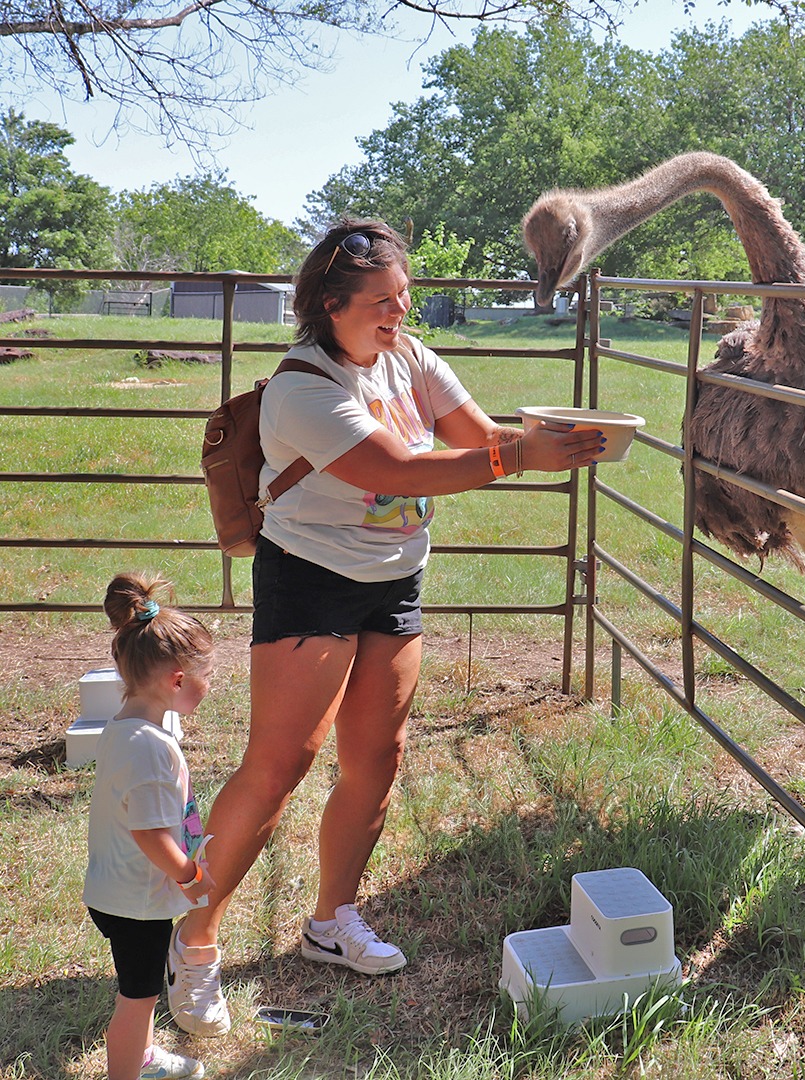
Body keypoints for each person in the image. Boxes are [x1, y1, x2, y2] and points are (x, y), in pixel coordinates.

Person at [167, 218, 604, 1036]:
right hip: (311, 581)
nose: (399, 313)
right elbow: (395, 470)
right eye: (381, 301)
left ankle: (333, 920)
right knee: (278, 766)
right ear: (330, 305)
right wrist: (520, 456)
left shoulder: (408, 358)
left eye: (405, 296)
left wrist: (549, 439)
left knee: (378, 755)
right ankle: (192, 942)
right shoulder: (302, 389)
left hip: (395, 580)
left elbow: (474, 438)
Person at [84, 573, 217, 1080]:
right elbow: (151, 835)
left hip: (118, 893)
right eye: (208, 676)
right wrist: (191, 876)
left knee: (143, 989)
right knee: (136, 999)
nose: (210, 686)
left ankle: (141, 1058)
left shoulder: (125, 728)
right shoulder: (150, 747)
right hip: (135, 903)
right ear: (178, 679)